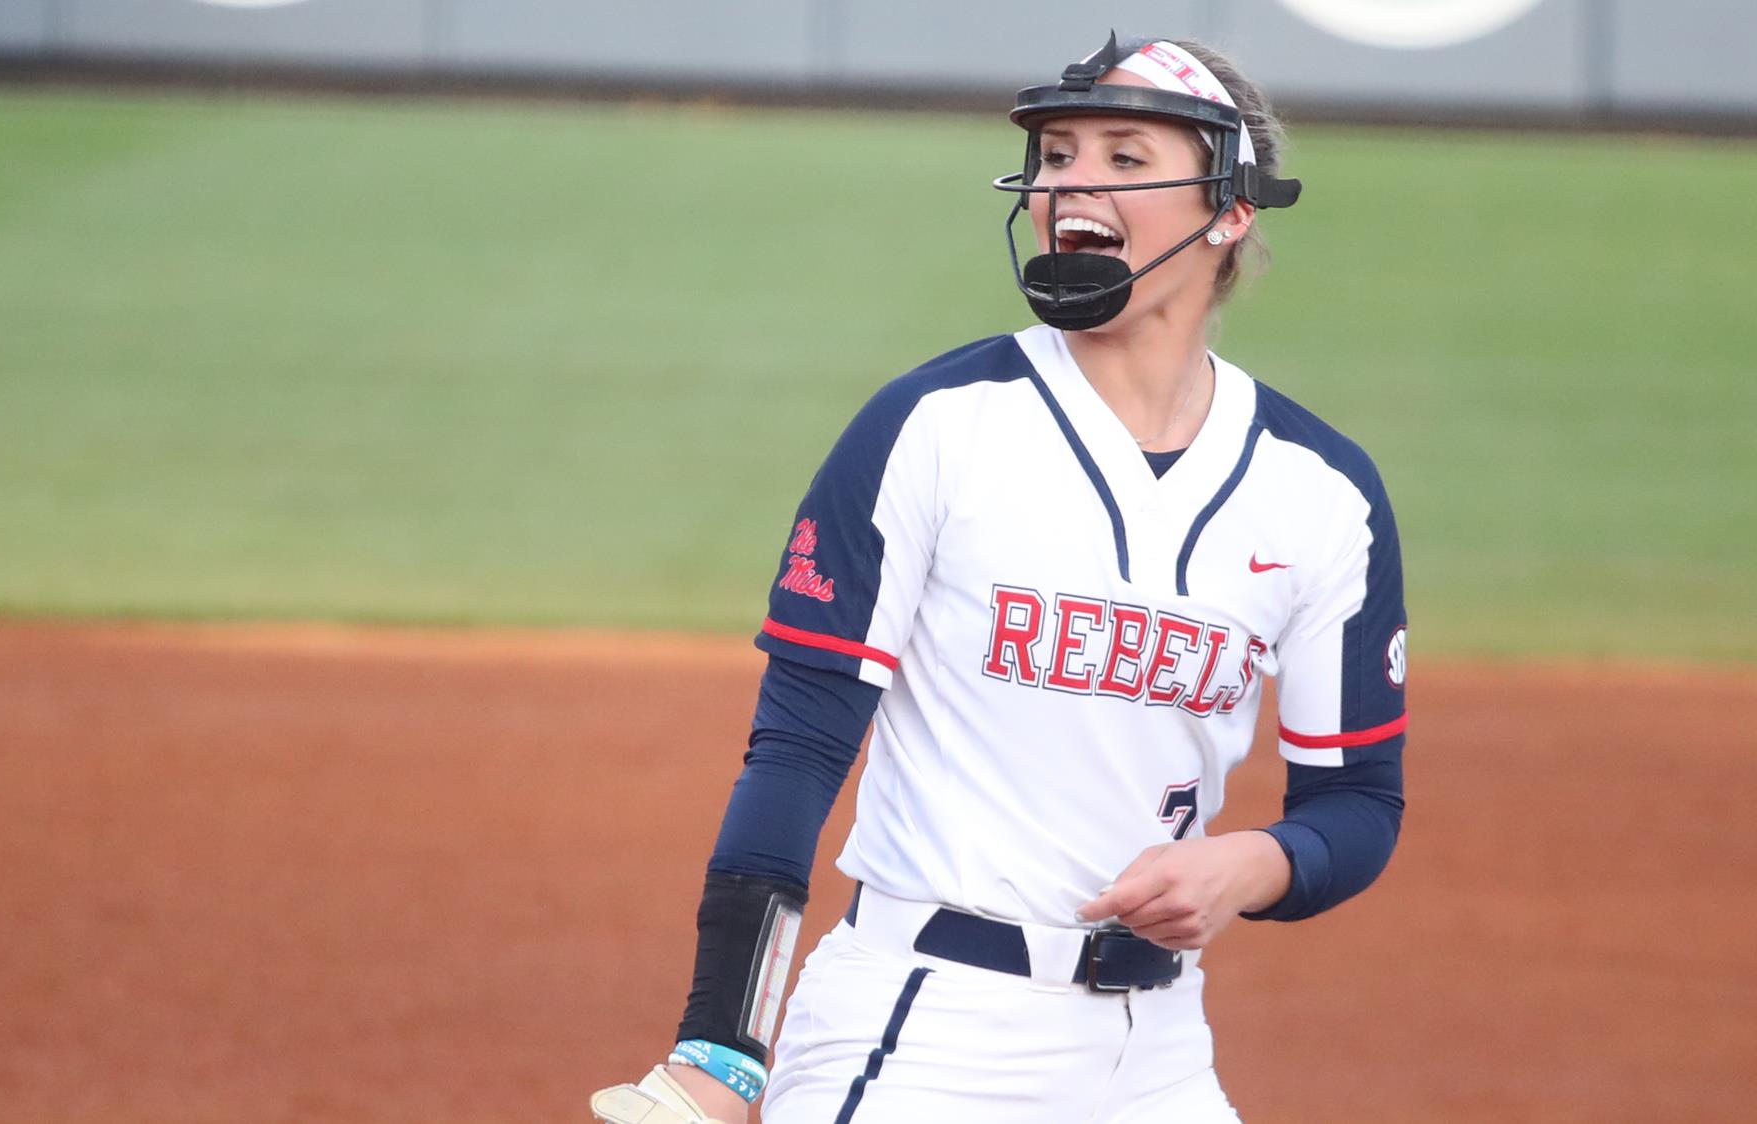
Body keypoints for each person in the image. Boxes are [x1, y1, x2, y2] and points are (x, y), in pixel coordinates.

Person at [593, 32, 1408, 1124]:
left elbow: (1354, 802)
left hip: (1158, 1050)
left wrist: (1251, 863)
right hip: (923, 1028)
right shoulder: (933, 430)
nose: (1072, 180)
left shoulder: (1320, 493)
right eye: (1058, 154)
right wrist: (721, 1046)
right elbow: (796, 748)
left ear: (1230, 208)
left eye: (1124, 158)